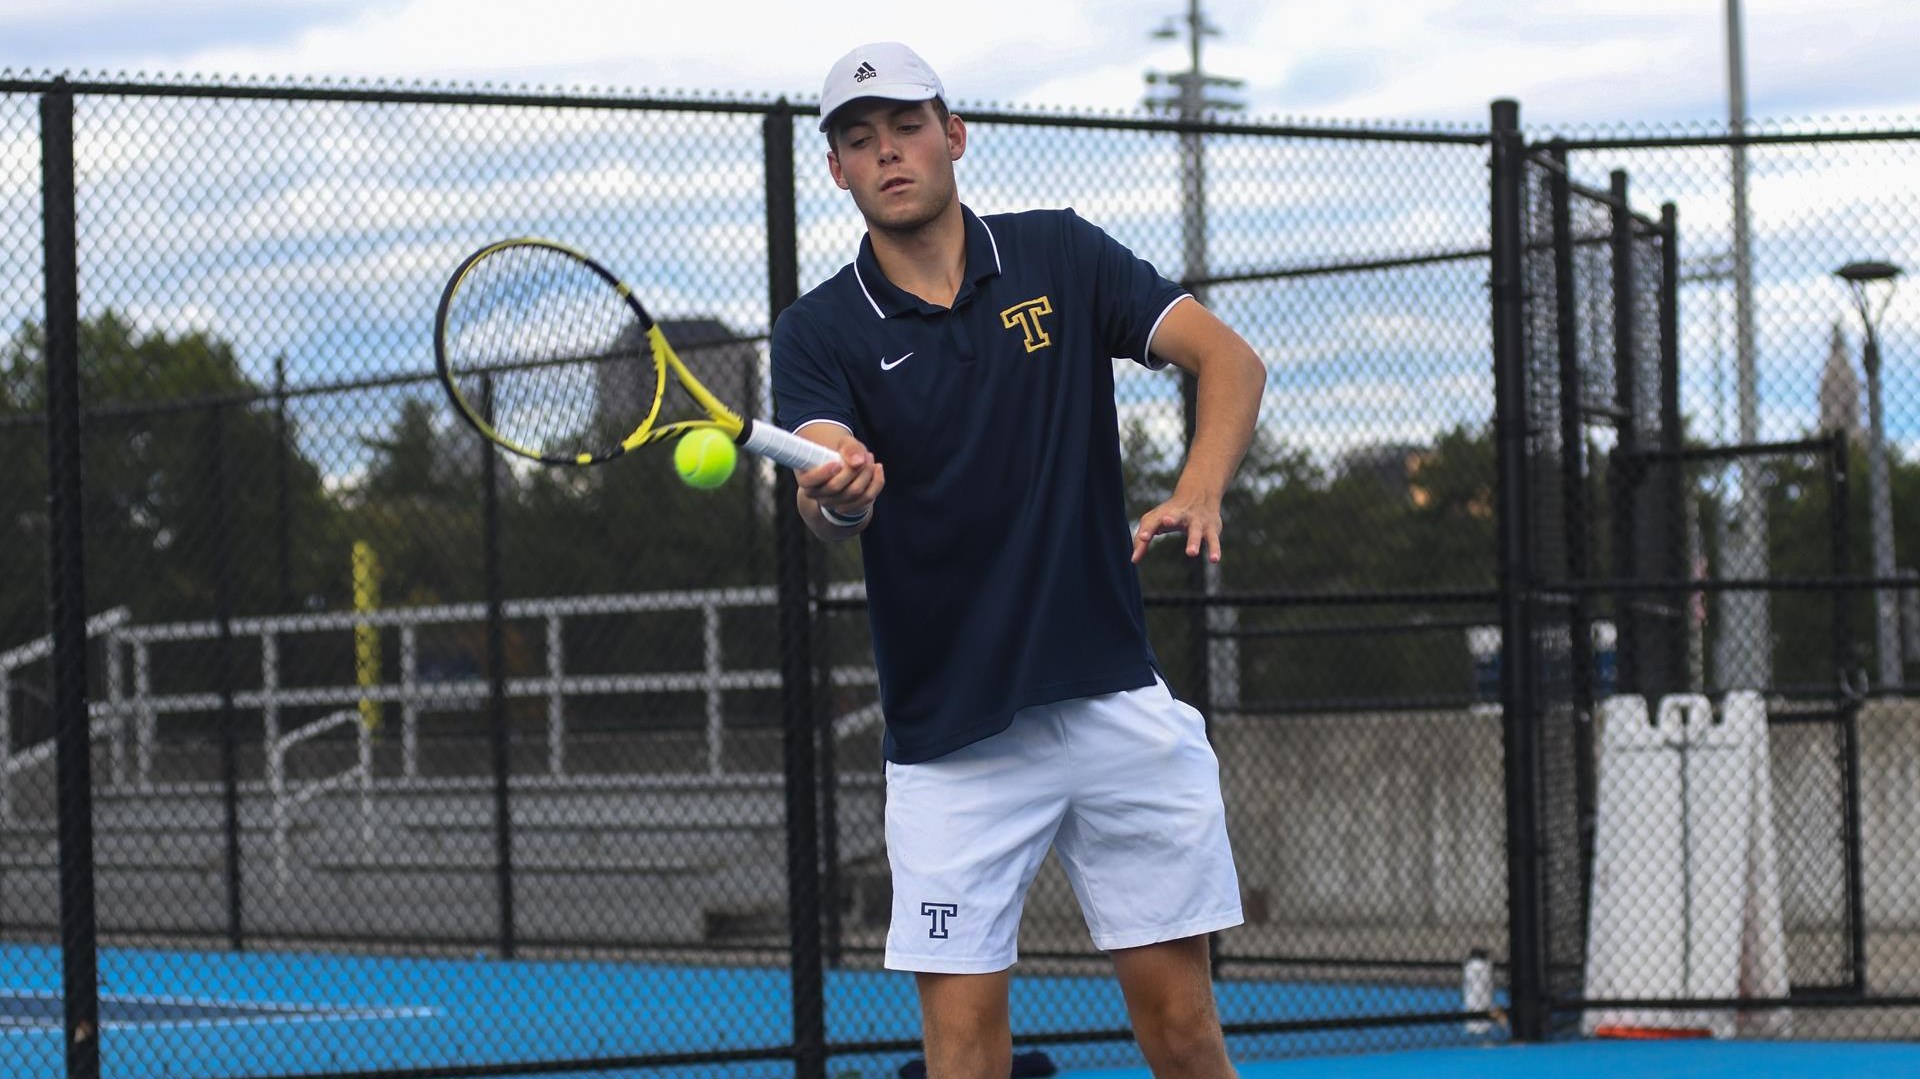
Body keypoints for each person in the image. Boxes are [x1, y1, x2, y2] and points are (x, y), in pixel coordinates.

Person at [770, 41, 1267, 1079]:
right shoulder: (817, 330)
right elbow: (826, 480)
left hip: (1111, 698)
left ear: (953, 136)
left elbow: (1229, 358)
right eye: (859, 139)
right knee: (963, 1052)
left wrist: (1200, 485)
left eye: (906, 126)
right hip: (952, 741)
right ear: (838, 170)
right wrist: (839, 493)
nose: (887, 151)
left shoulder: (1060, 255)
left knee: (1183, 1031)